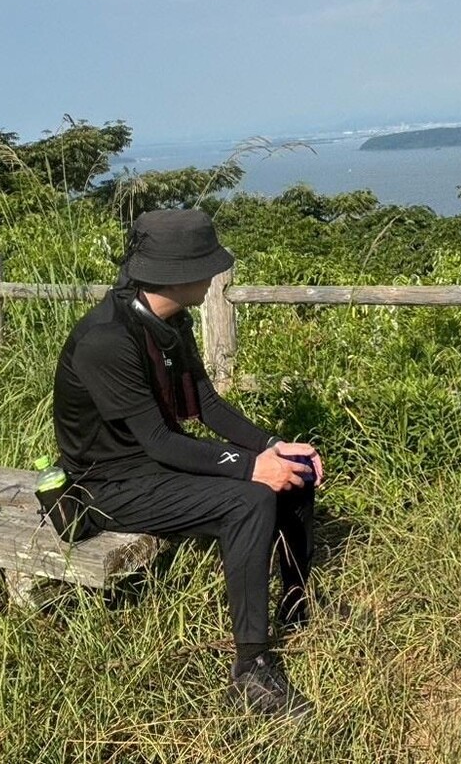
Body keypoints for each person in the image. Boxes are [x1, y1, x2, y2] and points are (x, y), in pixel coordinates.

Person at [52, 208, 323, 718]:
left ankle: (297, 603)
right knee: (250, 498)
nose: (215, 274)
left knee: (293, 475)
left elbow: (208, 404)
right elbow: (158, 440)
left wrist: (272, 445)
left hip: (154, 465)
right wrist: (248, 470)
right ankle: (251, 669)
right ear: (179, 274)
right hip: (108, 486)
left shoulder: (167, 320)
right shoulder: (107, 340)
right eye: (208, 264)